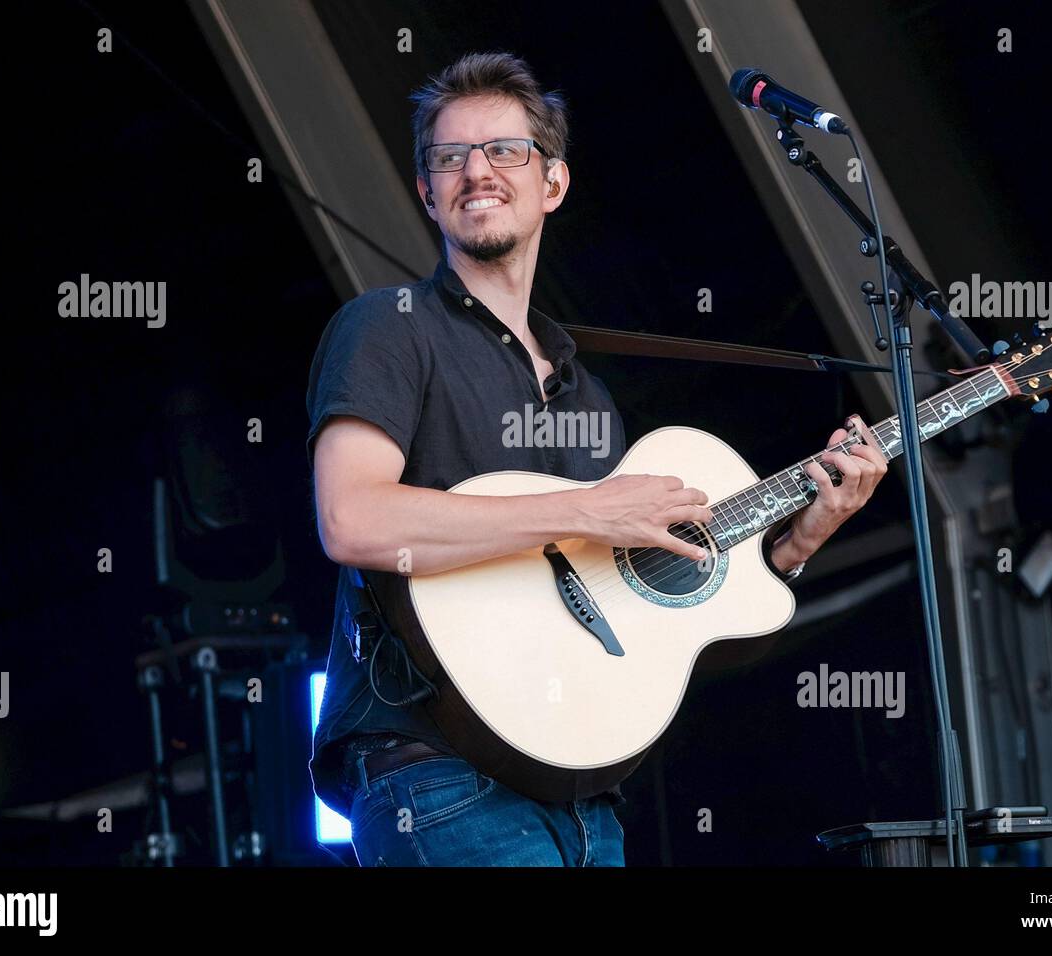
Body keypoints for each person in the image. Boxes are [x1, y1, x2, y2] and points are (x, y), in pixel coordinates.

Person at [305, 52, 887, 866]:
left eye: (505, 150)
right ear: (426, 192)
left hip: (585, 803)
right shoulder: (388, 329)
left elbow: (652, 625)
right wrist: (587, 509)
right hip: (436, 777)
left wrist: (798, 542)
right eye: (450, 157)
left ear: (554, 184)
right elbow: (352, 518)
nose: (477, 171)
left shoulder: (589, 402)